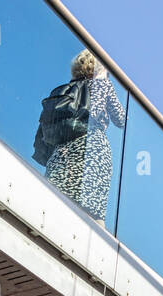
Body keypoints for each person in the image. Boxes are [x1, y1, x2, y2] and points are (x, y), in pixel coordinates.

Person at [35, 50, 126, 223]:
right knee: (92, 216)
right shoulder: (102, 84)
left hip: (62, 154)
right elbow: (121, 120)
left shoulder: (68, 89)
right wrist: (103, 78)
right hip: (92, 151)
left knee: (55, 207)